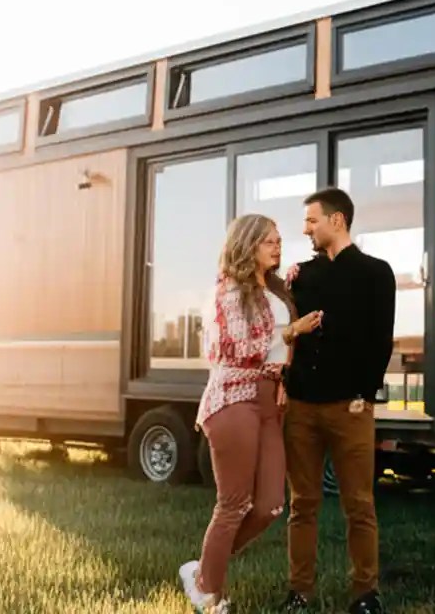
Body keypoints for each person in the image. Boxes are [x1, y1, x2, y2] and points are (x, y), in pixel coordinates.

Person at [179, 213, 323, 614]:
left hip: (269, 401)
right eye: (268, 242)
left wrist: (281, 380)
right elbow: (242, 347)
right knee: (234, 504)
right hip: (234, 397)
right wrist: (292, 331)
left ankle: (202, 572)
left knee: (271, 505)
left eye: (278, 241)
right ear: (246, 245)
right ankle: (210, 597)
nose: (277, 247)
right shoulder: (227, 292)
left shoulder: (276, 289)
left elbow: (277, 354)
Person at [279, 187, 396, 614]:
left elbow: (381, 340)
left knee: (359, 505)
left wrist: (364, 395)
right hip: (302, 407)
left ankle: (365, 595)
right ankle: (298, 591)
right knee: (302, 504)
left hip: (351, 407)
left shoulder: (376, 273)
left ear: (337, 221)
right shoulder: (301, 276)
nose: (305, 228)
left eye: (311, 220)